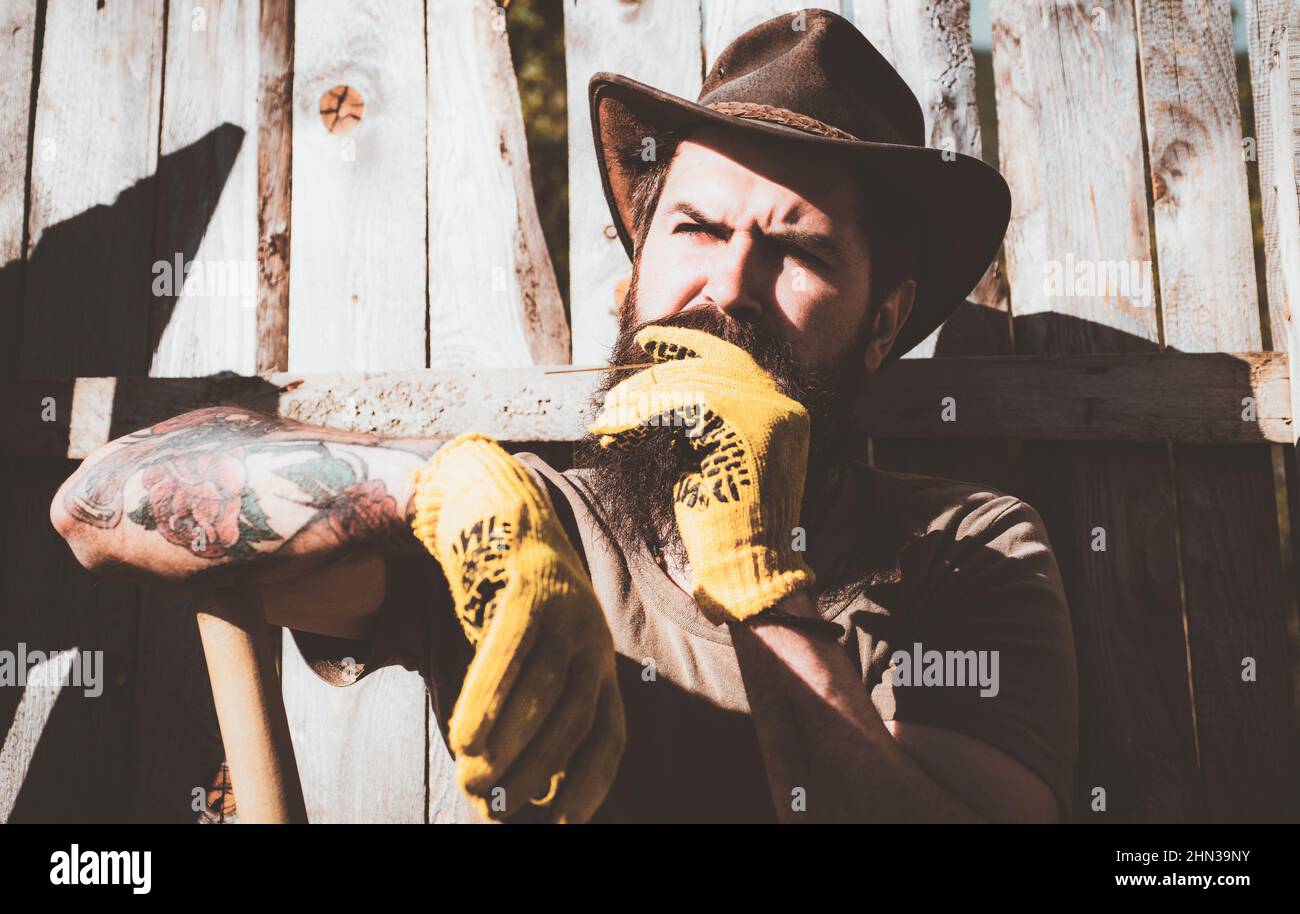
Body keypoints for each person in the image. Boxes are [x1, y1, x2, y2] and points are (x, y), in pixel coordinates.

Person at [50, 9, 1077, 824]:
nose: (729, 285)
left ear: (881, 319)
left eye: (797, 250)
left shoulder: (965, 548)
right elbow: (99, 501)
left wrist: (758, 577)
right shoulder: (531, 525)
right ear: (637, 274)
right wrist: (443, 488)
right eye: (697, 227)